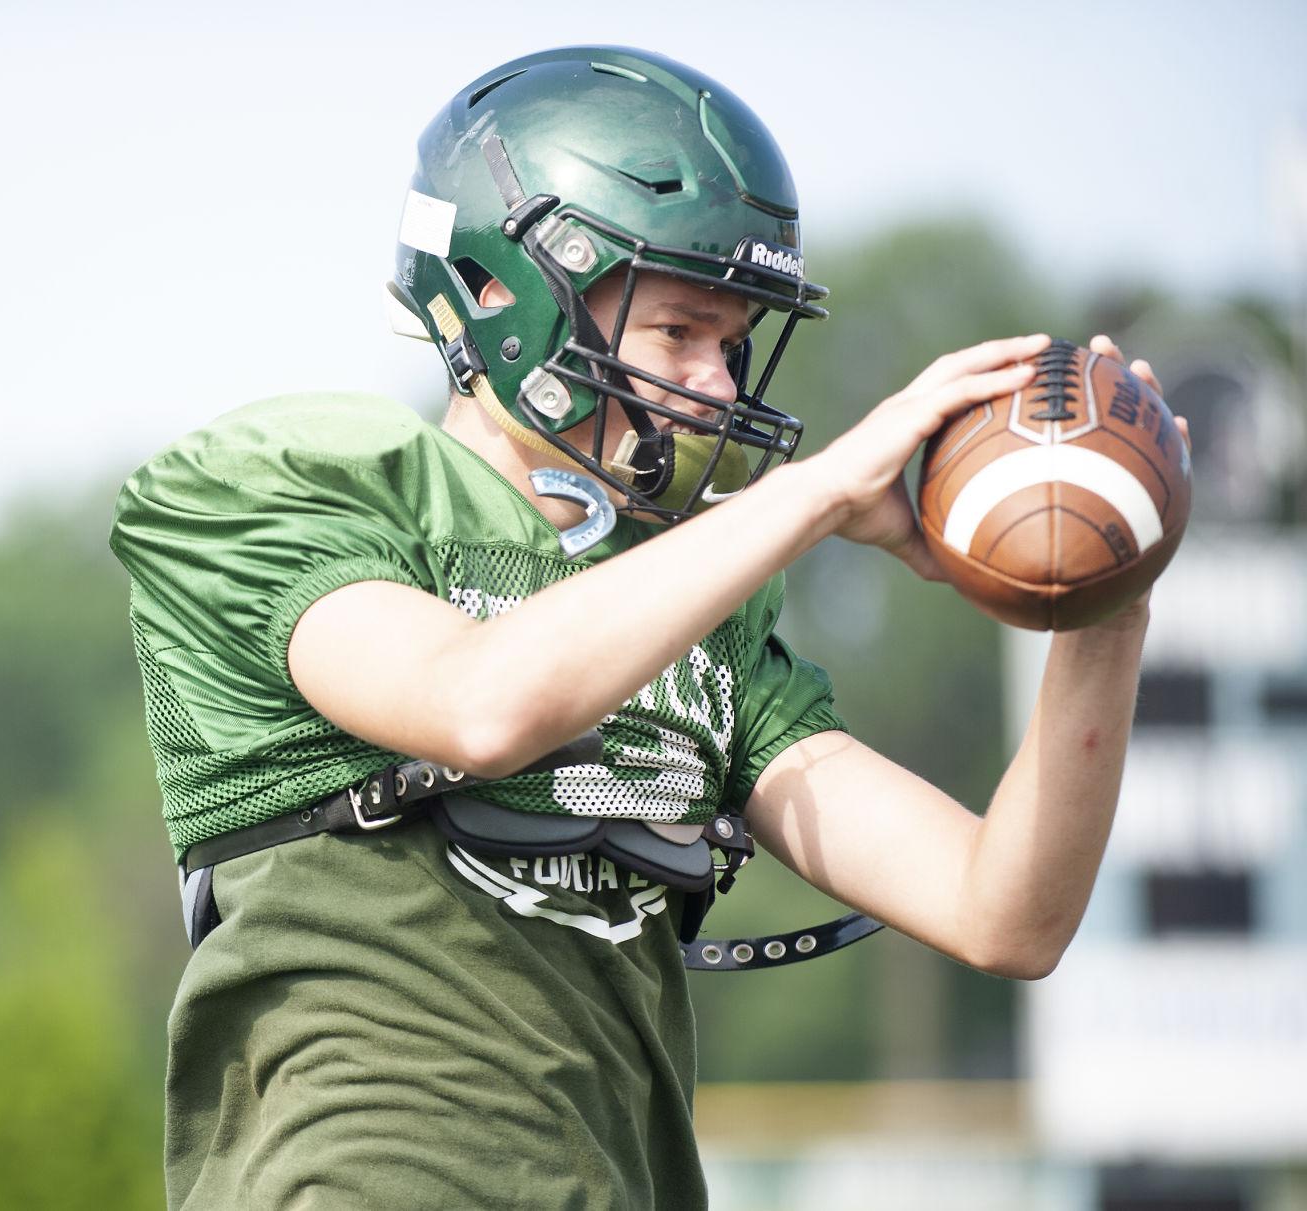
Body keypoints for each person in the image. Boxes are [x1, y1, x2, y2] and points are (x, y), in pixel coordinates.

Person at [112, 45, 1184, 1209]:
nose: (717, 385)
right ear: (501, 292)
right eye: (677, 330)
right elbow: (480, 704)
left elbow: (1003, 910)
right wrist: (812, 493)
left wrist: (1103, 593)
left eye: (731, 343)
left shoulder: (691, 603)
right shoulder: (284, 481)